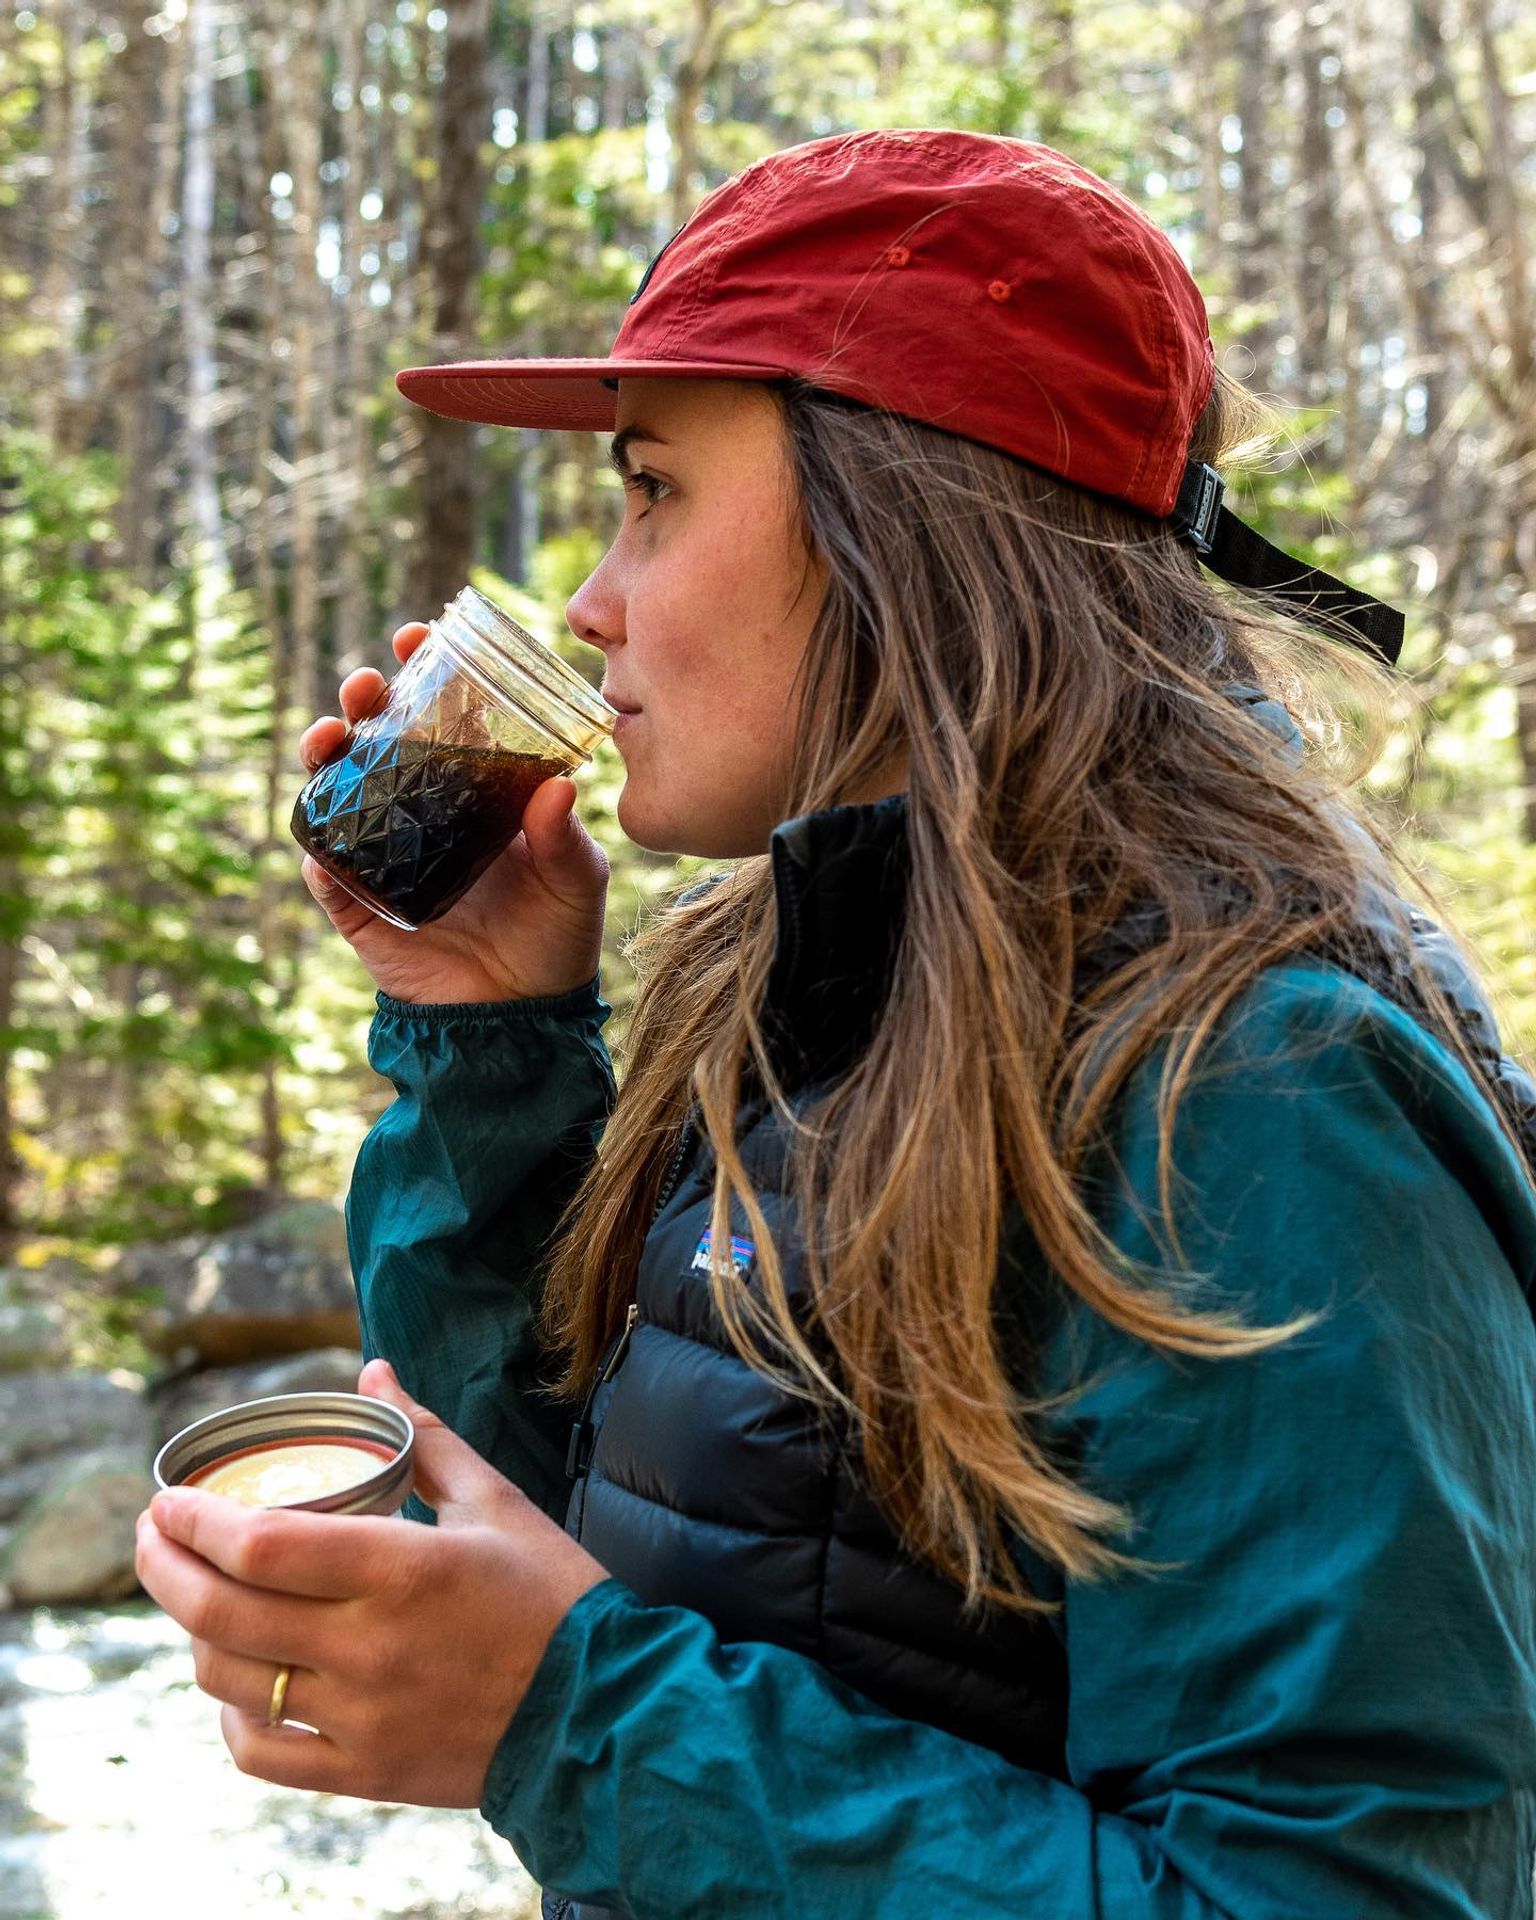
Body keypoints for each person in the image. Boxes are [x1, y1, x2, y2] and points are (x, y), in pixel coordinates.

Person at [136, 129, 1536, 1918]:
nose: (590, 600)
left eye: (655, 491)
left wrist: (569, 1724)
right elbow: (617, 1539)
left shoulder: (1260, 1088)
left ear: (903, 523)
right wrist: (492, 1040)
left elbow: (1336, 1891)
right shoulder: (808, 983)